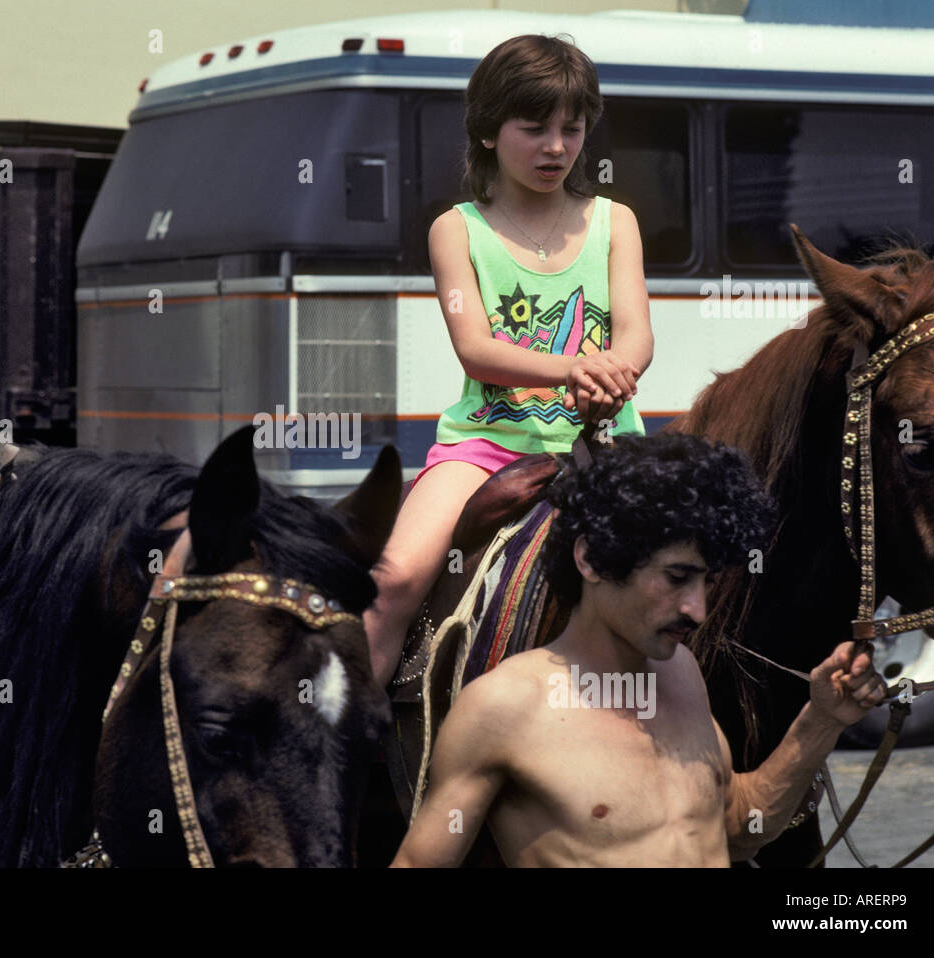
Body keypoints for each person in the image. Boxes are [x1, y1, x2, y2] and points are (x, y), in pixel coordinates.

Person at [391, 434, 888, 867]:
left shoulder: (681, 674)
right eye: (677, 578)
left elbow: (739, 829)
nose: (696, 609)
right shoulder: (504, 707)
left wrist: (822, 720)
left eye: (707, 582)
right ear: (590, 558)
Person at [365, 34, 654, 686]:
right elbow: (476, 349)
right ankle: (351, 746)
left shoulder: (616, 221)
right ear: (489, 132)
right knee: (396, 580)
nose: (556, 147)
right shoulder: (457, 229)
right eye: (534, 128)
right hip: (485, 448)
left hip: (610, 445)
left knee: (693, 582)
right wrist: (577, 370)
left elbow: (637, 333)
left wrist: (620, 371)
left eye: (571, 129)